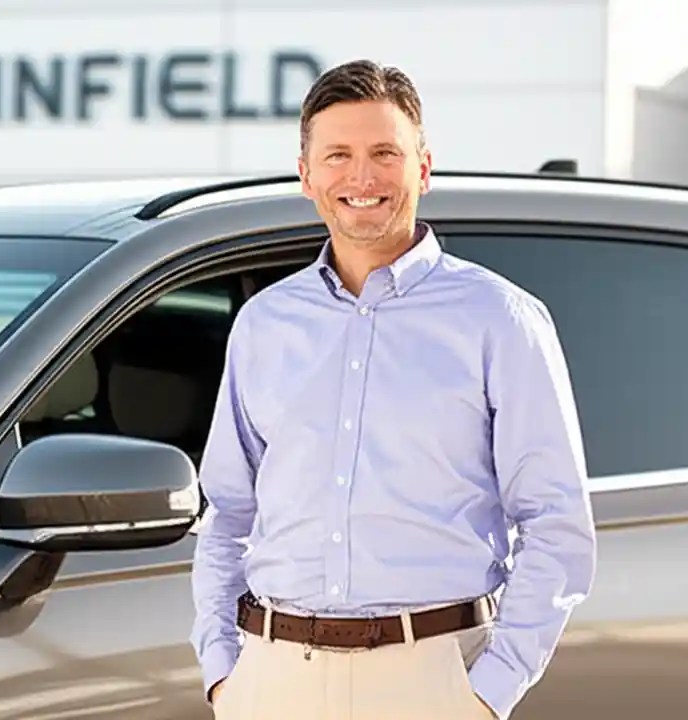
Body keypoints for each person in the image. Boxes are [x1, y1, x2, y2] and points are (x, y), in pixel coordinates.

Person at [189, 59, 597, 720]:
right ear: (307, 175)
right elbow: (228, 512)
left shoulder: (500, 320)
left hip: (434, 680)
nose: (361, 177)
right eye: (338, 155)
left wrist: (486, 693)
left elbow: (557, 525)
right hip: (272, 681)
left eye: (385, 153)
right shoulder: (264, 325)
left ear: (424, 169)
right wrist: (223, 673)